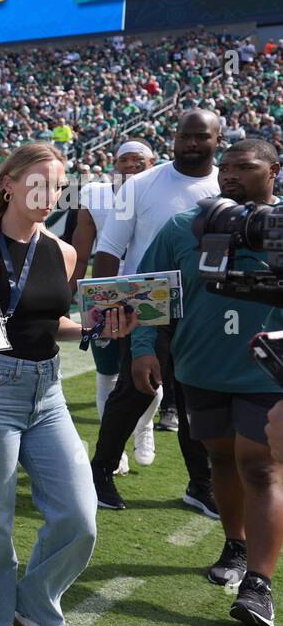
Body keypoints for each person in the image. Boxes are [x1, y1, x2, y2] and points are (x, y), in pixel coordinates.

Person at [0, 143, 136, 626]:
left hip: (46, 393)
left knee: (79, 513)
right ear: (8, 184)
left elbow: (49, 324)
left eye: (57, 186)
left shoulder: (64, 251)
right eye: (39, 184)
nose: (50, 196)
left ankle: (34, 608)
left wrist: (97, 326)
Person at [129, 139, 283, 626]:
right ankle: (234, 544)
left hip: (267, 370)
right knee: (219, 457)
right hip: (198, 366)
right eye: (227, 166)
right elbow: (149, 290)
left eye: (245, 166)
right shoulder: (182, 226)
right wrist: (142, 348)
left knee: (260, 467)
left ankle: (259, 584)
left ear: (273, 170)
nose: (231, 174)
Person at [90, 111, 221, 514]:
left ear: (218, 139)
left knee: (195, 400)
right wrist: (108, 311)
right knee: (132, 393)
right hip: (146, 309)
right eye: (186, 135)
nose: (193, 143)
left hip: (203, 311)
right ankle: (100, 474)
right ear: (174, 137)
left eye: (202, 136)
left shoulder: (228, 184)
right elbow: (109, 249)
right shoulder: (142, 184)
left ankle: (201, 484)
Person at [70, 140, 158, 474]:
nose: (131, 165)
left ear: (153, 162)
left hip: (151, 291)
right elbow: (81, 249)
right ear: (113, 163)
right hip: (105, 291)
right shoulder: (94, 194)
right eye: (125, 160)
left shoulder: (163, 189)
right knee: (107, 372)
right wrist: (70, 290)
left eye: (139, 160)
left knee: (152, 373)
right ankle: (115, 444)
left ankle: (144, 424)